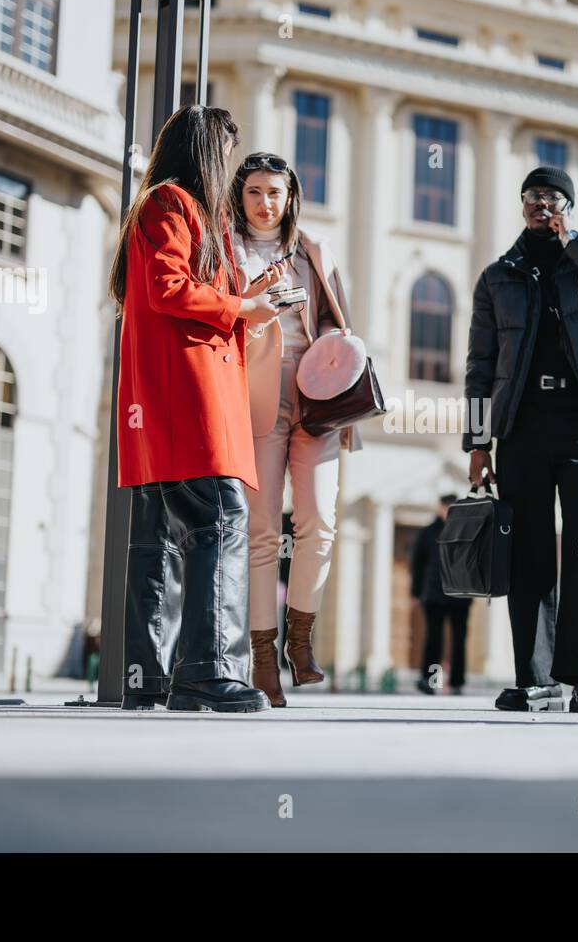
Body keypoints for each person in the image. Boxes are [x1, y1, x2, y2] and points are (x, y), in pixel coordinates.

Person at [109, 105, 286, 714]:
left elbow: (173, 288)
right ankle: (208, 672)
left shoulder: (163, 205)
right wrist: (241, 310)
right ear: (209, 152)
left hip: (164, 398)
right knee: (221, 518)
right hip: (190, 393)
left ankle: (148, 675)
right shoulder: (173, 203)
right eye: (228, 154)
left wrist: (246, 299)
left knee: (158, 537)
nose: (231, 169)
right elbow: (170, 288)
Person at [463, 166, 578, 714]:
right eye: (532, 197)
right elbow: (480, 364)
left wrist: (576, 241)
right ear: (521, 205)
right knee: (531, 548)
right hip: (522, 426)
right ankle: (537, 678)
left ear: (567, 205)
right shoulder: (499, 276)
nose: (541, 205)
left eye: (552, 198)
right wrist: (478, 443)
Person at [230, 151, 363, 707]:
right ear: (240, 196)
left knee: (321, 520)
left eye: (275, 193)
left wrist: (349, 408)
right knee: (262, 533)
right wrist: (256, 298)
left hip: (315, 396)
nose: (265, 203)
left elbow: (340, 326)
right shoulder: (223, 248)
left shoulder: (314, 250)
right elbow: (216, 313)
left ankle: (300, 640)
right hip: (254, 396)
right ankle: (263, 659)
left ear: (291, 198)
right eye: (255, 191)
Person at [410, 494, 472, 695]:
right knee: (433, 638)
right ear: (440, 508)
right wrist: (416, 592)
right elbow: (417, 564)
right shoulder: (428, 532)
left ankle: (457, 682)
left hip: (461, 593)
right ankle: (429, 680)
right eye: (446, 507)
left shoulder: (468, 529)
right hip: (434, 593)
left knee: (459, 639)